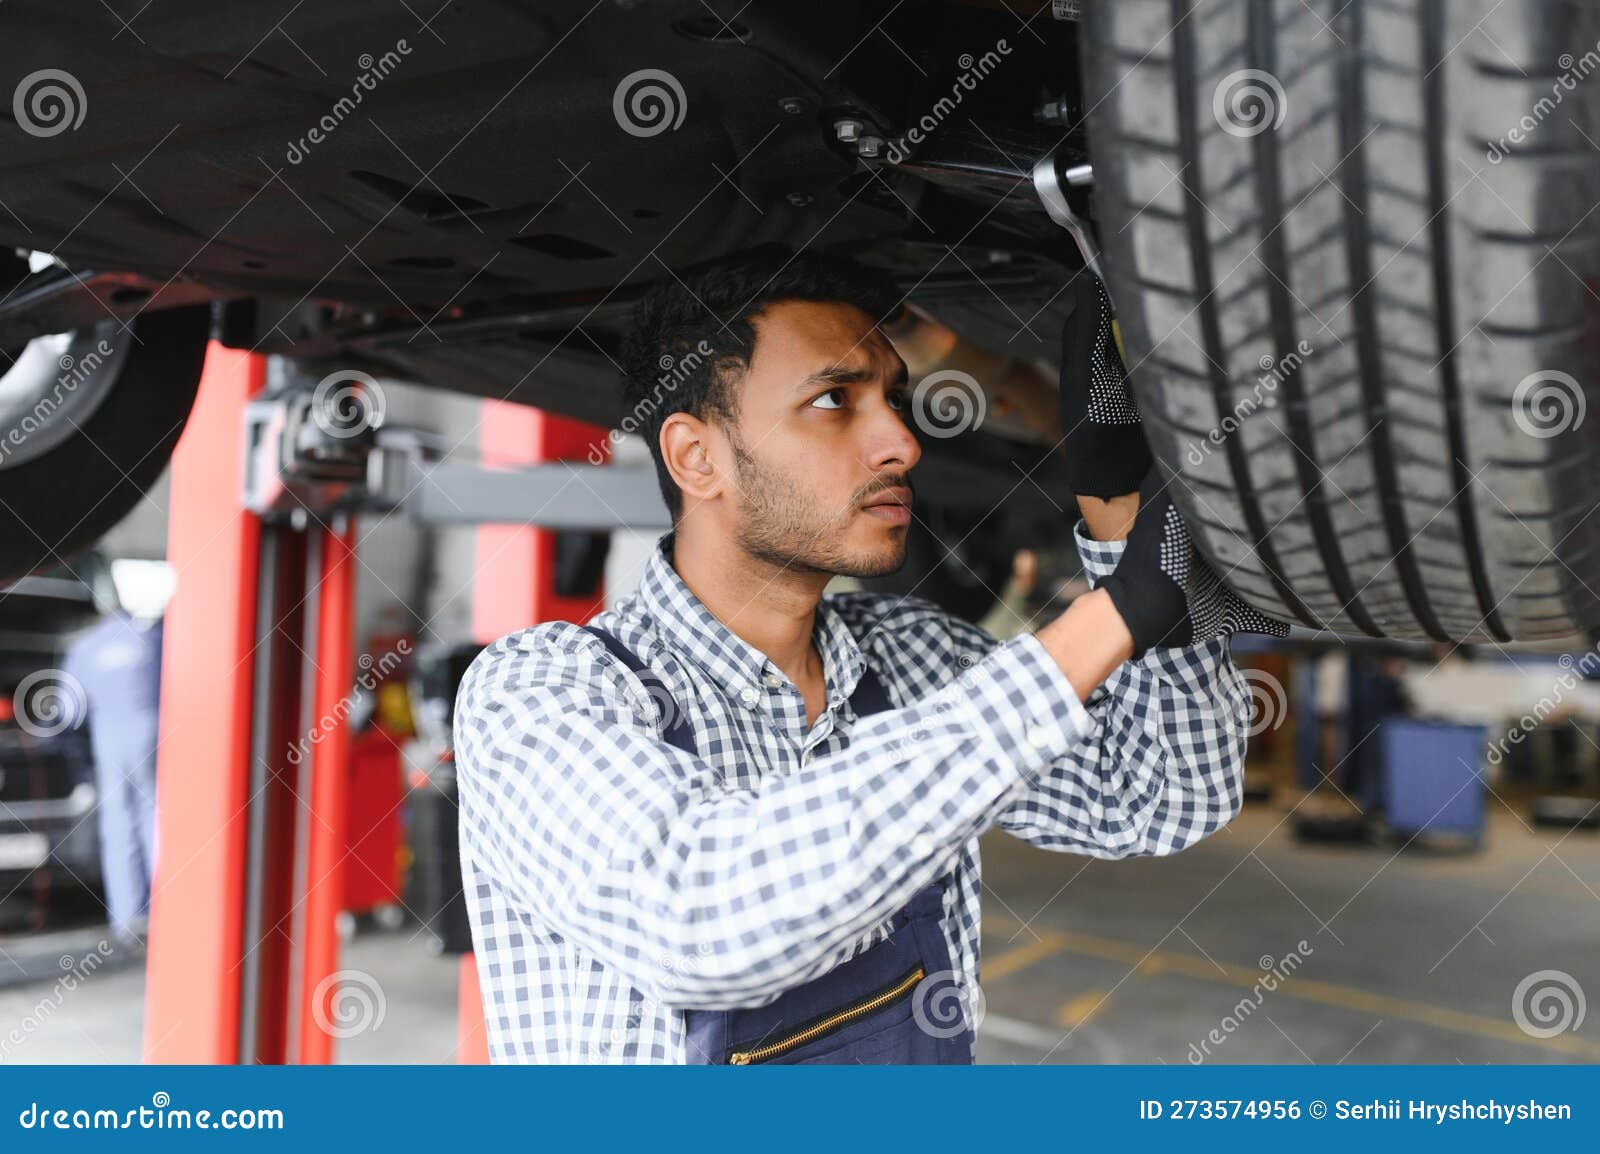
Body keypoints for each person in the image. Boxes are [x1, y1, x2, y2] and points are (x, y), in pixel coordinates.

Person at [453, 250, 1285, 1064]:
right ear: (695, 456)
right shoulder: (541, 689)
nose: (902, 442)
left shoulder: (910, 658)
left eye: (893, 397)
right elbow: (701, 920)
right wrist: (1110, 618)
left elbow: (1163, 795)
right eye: (833, 401)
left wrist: (1116, 513)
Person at [60, 569, 166, 950]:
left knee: (119, 829)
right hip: (155, 732)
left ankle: (126, 922)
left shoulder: (84, 648)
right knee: (156, 821)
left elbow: (65, 712)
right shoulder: (152, 638)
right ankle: (167, 914)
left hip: (110, 738)